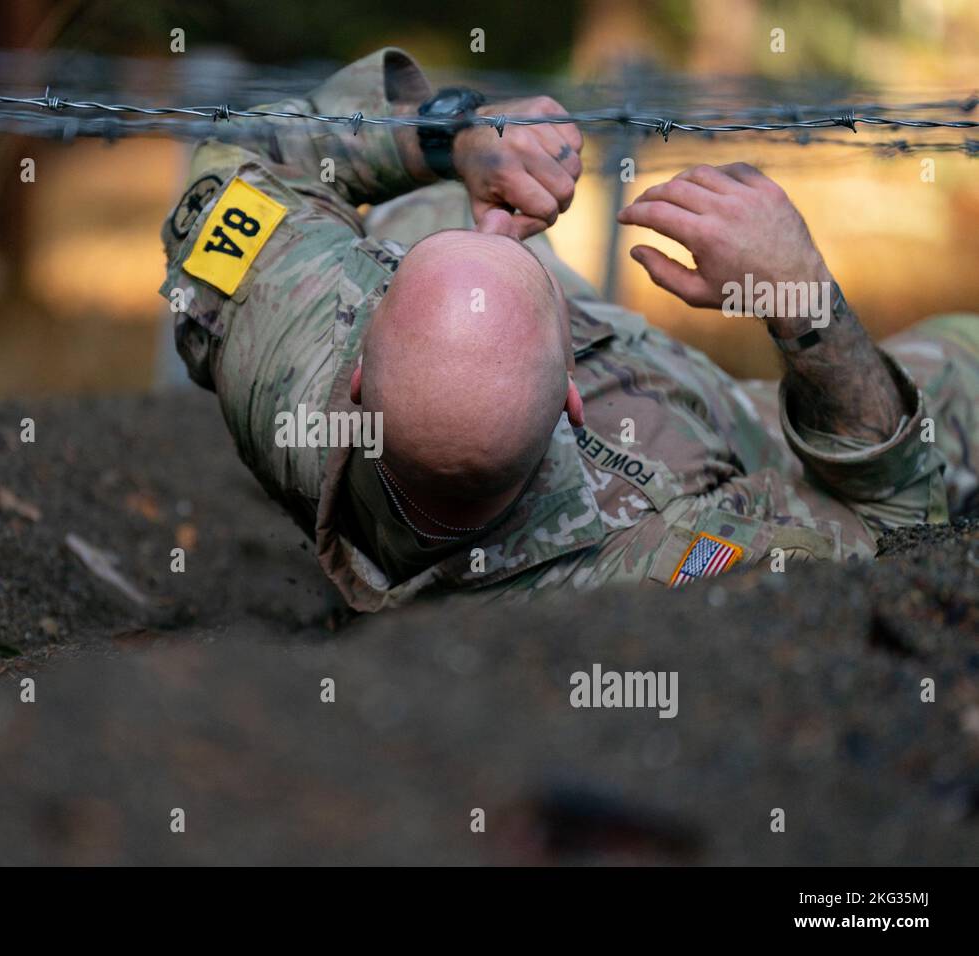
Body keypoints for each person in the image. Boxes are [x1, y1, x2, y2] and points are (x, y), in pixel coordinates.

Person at [158, 48, 978, 612]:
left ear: (360, 380)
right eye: (552, 288)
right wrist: (805, 305)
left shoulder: (289, 345)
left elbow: (235, 163)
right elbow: (901, 533)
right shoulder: (647, 571)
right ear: (575, 401)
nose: (510, 234)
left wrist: (450, 137)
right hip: (770, 443)